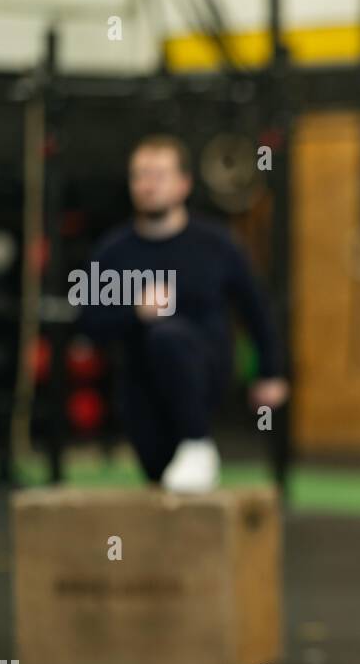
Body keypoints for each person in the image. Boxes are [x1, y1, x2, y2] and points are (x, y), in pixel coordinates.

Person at [78, 134, 288, 492]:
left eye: (159, 175)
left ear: (183, 184)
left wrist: (270, 372)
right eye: (140, 175)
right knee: (161, 481)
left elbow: (256, 307)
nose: (148, 185)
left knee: (169, 337)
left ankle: (197, 442)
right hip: (142, 382)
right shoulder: (113, 252)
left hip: (207, 367)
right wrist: (135, 311)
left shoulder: (217, 244)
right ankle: (188, 459)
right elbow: (88, 324)